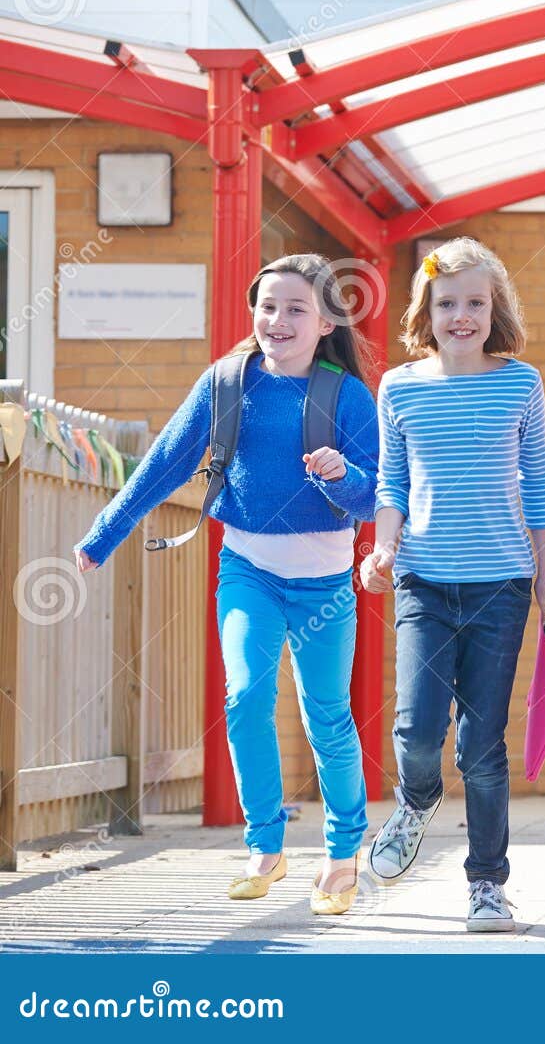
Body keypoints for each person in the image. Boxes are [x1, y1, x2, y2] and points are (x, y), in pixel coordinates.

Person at [76, 254, 378, 914]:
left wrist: (341, 476)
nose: (277, 320)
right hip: (248, 571)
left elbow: (377, 498)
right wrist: (104, 533)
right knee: (245, 696)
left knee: (326, 715)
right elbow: (162, 464)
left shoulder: (345, 395)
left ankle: (342, 852)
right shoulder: (226, 384)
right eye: (267, 306)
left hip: (325, 583)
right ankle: (266, 845)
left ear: (327, 321)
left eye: (296, 308)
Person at [360, 237, 545, 933]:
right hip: (422, 582)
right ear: (428, 310)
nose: (462, 315)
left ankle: (486, 884)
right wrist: (383, 545)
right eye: (448, 302)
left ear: (495, 307)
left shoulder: (520, 383)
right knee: (416, 729)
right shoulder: (400, 387)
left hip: (500, 586)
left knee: (482, 743)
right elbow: (390, 481)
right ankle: (416, 801)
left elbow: (539, 481)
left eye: (476, 301)